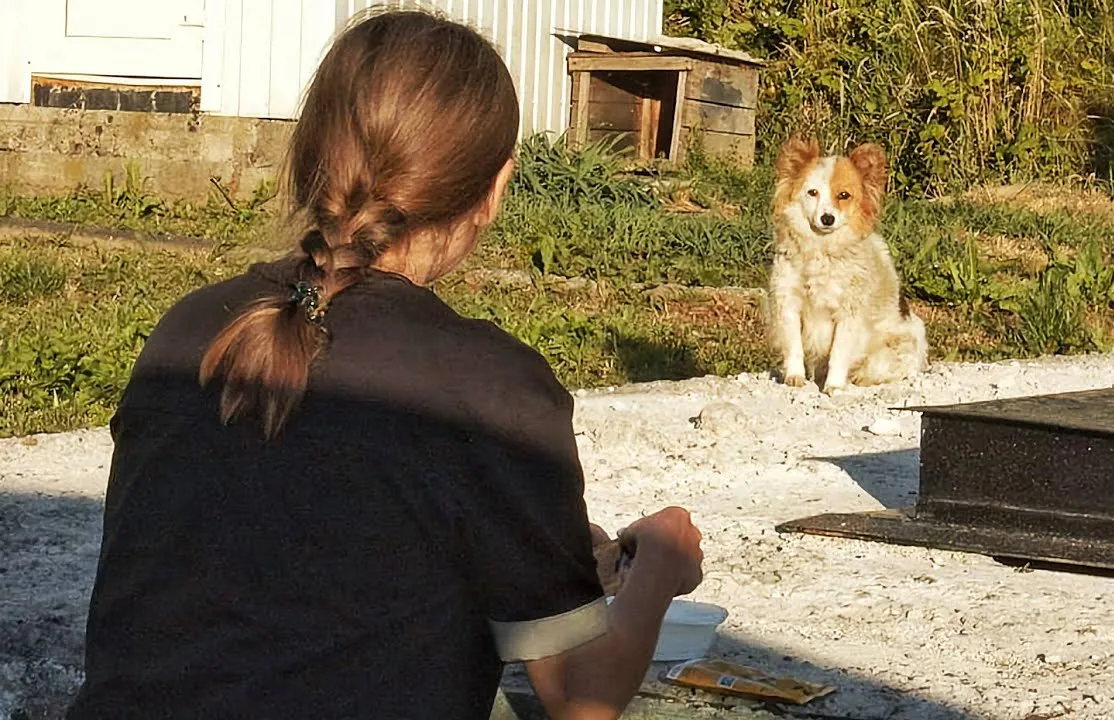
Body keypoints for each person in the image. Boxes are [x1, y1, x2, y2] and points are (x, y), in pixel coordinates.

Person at [66, 8, 704, 720]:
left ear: (307, 158)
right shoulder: (491, 388)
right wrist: (660, 570)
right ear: (496, 189)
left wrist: (538, 552)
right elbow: (580, 700)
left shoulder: (185, 331)